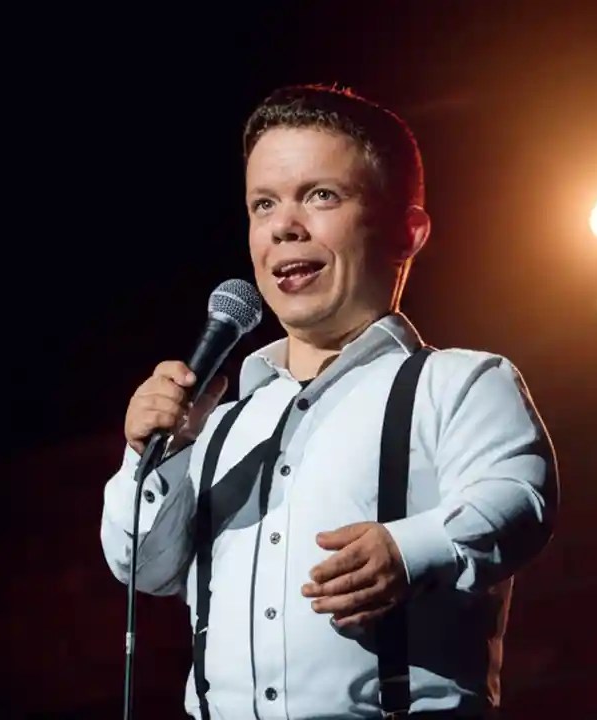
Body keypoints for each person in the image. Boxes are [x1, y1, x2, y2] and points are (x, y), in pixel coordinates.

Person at [100, 84, 557, 719]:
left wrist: (409, 549)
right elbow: (142, 568)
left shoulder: (458, 382)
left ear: (407, 230)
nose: (285, 226)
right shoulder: (222, 425)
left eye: (321, 196)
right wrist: (153, 457)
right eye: (263, 204)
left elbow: (519, 500)